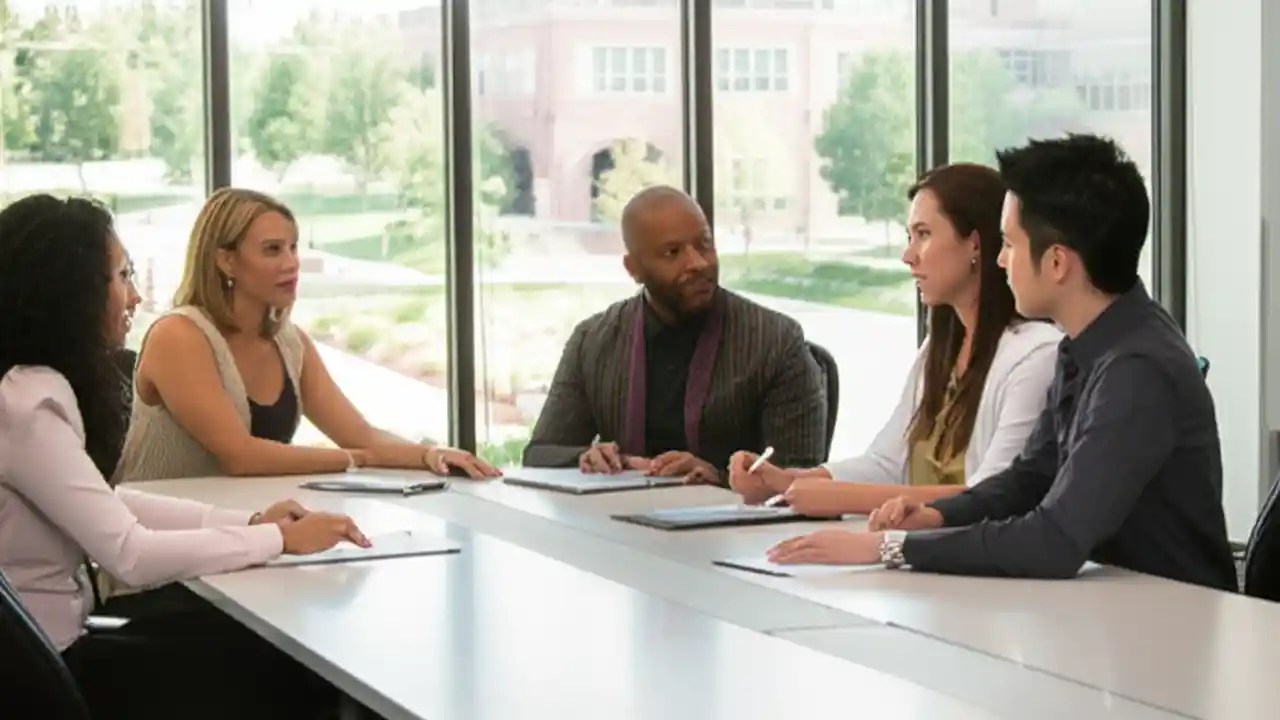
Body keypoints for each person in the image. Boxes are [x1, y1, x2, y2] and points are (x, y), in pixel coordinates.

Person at [766, 134, 1237, 592]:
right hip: (1105, 608)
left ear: (1056, 264)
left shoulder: (1137, 369)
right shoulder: (1088, 344)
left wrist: (892, 547)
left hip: (1167, 623)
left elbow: (1055, 539)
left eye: (1009, 244)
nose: (999, 260)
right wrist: (937, 517)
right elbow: (1026, 480)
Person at [0, 194, 370, 718]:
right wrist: (277, 538)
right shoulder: (28, 403)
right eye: (121, 275)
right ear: (70, 291)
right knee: (291, 672)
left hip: (56, 649)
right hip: (50, 674)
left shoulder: (30, 388)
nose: (132, 295)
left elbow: (110, 501)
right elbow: (128, 553)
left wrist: (252, 521)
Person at [728, 164, 1060, 515]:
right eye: (909, 237)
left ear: (974, 244)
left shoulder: (1036, 354)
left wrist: (839, 498)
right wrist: (786, 481)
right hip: (920, 550)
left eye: (924, 234)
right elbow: (885, 463)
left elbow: (992, 494)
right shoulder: (940, 348)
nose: (908, 255)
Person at [114, 188, 499, 483]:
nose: (291, 263)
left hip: (242, 540)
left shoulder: (289, 342)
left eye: (294, 248)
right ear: (226, 260)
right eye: (272, 250)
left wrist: (431, 456)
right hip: (161, 561)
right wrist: (355, 459)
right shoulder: (179, 335)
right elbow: (240, 456)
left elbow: (358, 433)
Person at [523, 186, 827, 483]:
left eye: (704, 244)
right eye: (673, 252)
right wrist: (592, 458)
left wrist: (716, 478)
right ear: (634, 269)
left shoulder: (774, 342)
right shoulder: (593, 341)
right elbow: (540, 454)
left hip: (735, 529)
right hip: (618, 525)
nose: (698, 263)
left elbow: (801, 478)